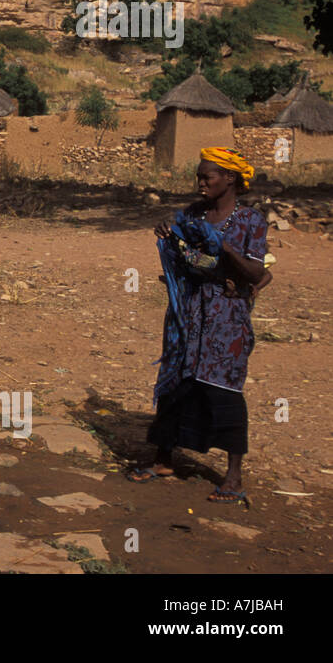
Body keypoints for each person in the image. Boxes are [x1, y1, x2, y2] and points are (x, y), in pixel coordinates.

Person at [129, 147, 270, 507]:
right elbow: (181, 250)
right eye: (199, 175)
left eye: (208, 176)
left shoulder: (250, 221)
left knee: (222, 386)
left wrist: (224, 249)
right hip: (189, 311)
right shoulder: (193, 214)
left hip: (226, 317)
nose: (201, 182)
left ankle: (234, 477)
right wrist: (168, 234)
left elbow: (257, 272)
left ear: (230, 179)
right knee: (177, 378)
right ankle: (163, 460)